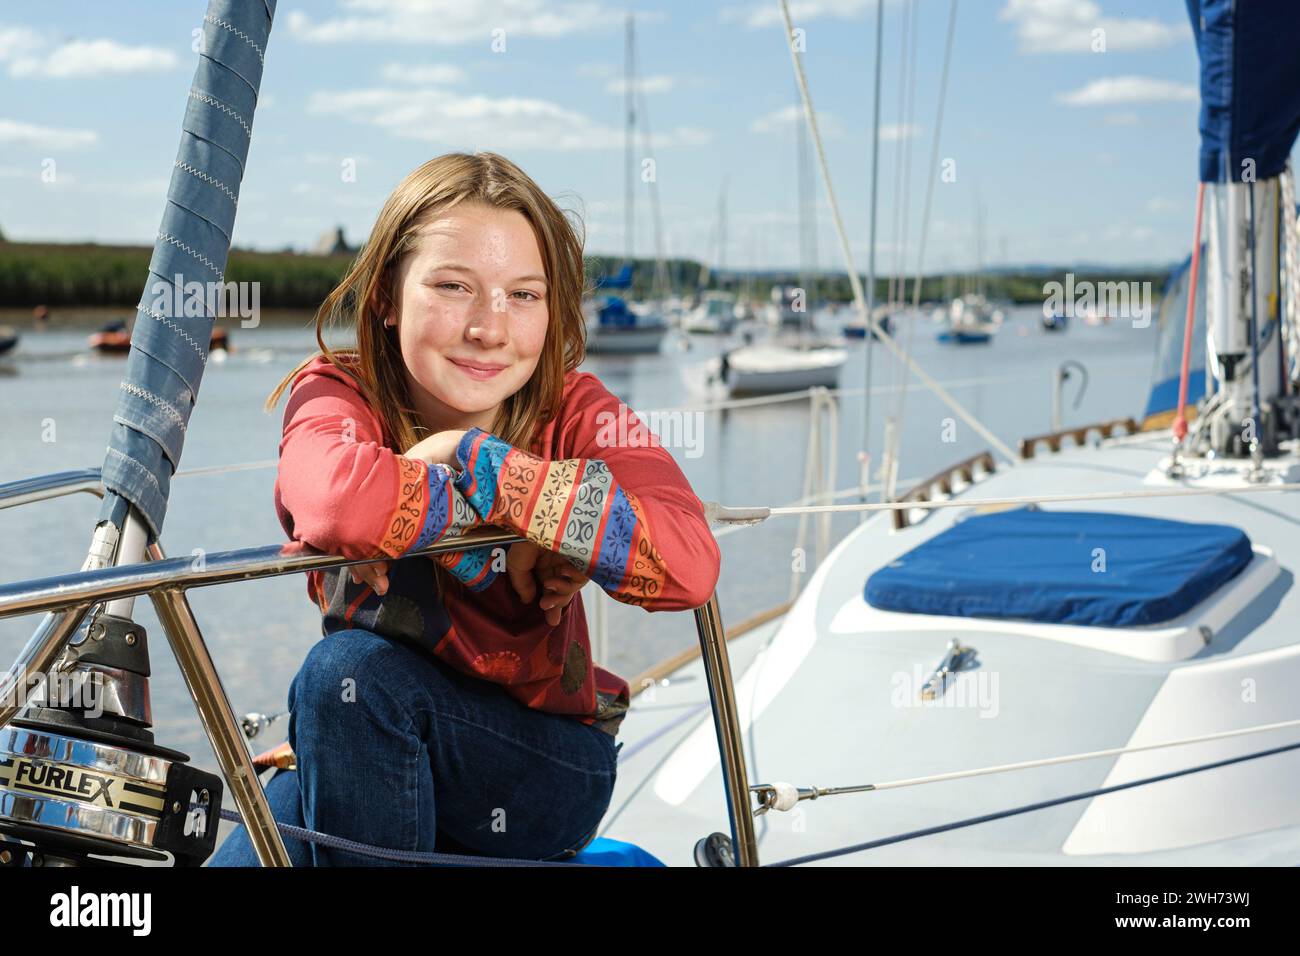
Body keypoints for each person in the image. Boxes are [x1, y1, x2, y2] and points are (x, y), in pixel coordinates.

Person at [209, 152, 720, 866]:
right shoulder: (334, 392)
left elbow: (688, 563)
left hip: (544, 764)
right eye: (455, 287)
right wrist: (547, 519)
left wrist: (471, 457)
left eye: (524, 294)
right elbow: (332, 502)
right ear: (386, 296)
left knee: (342, 675)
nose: (490, 327)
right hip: (371, 728)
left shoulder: (574, 410)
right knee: (276, 803)